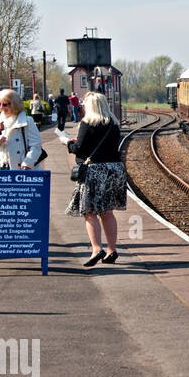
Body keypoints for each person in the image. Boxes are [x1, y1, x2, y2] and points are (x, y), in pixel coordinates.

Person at [65, 91, 127, 267]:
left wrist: (67, 143)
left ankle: (96, 248)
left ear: (89, 106)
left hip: (95, 171)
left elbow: (79, 148)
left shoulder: (87, 123)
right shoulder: (113, 124)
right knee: (107, 211)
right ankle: (112, 250)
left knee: (89, 212)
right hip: (114, 169)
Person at [0, 89, 44, 170]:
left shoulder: (27, 121)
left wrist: (28, 163)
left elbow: (36, 145)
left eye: (5, 104)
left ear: (14, 104)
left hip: (23, 168)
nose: (1, 107)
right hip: (3, 167)